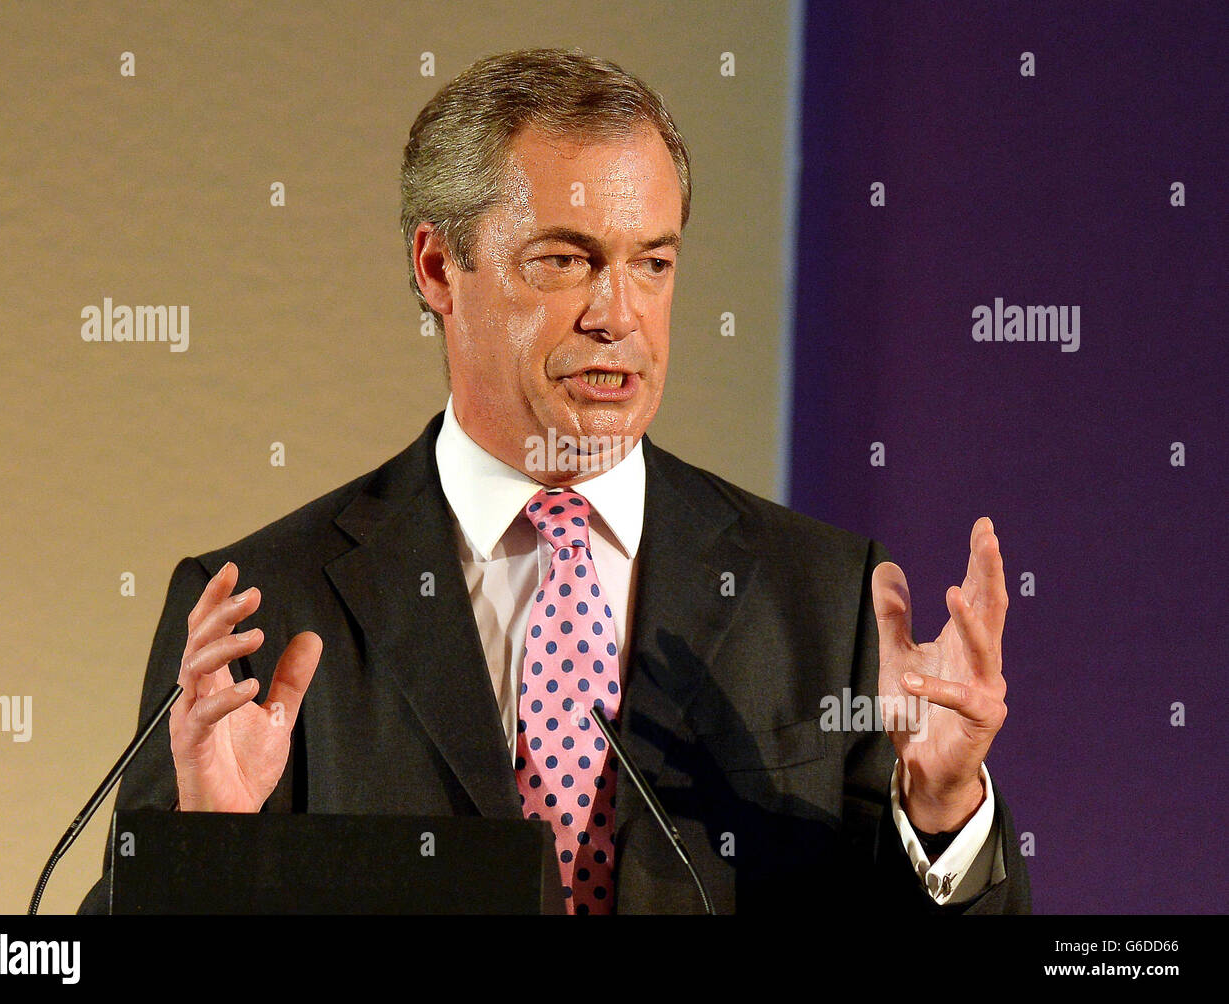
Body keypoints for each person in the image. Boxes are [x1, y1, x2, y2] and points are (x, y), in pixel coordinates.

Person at [80, 48, 1030, 914]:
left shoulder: (823, 600)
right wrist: (200, 857)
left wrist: (943, 816)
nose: (618, 314)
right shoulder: (263, 607)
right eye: (567, 261)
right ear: (439, 267)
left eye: (652, 263)